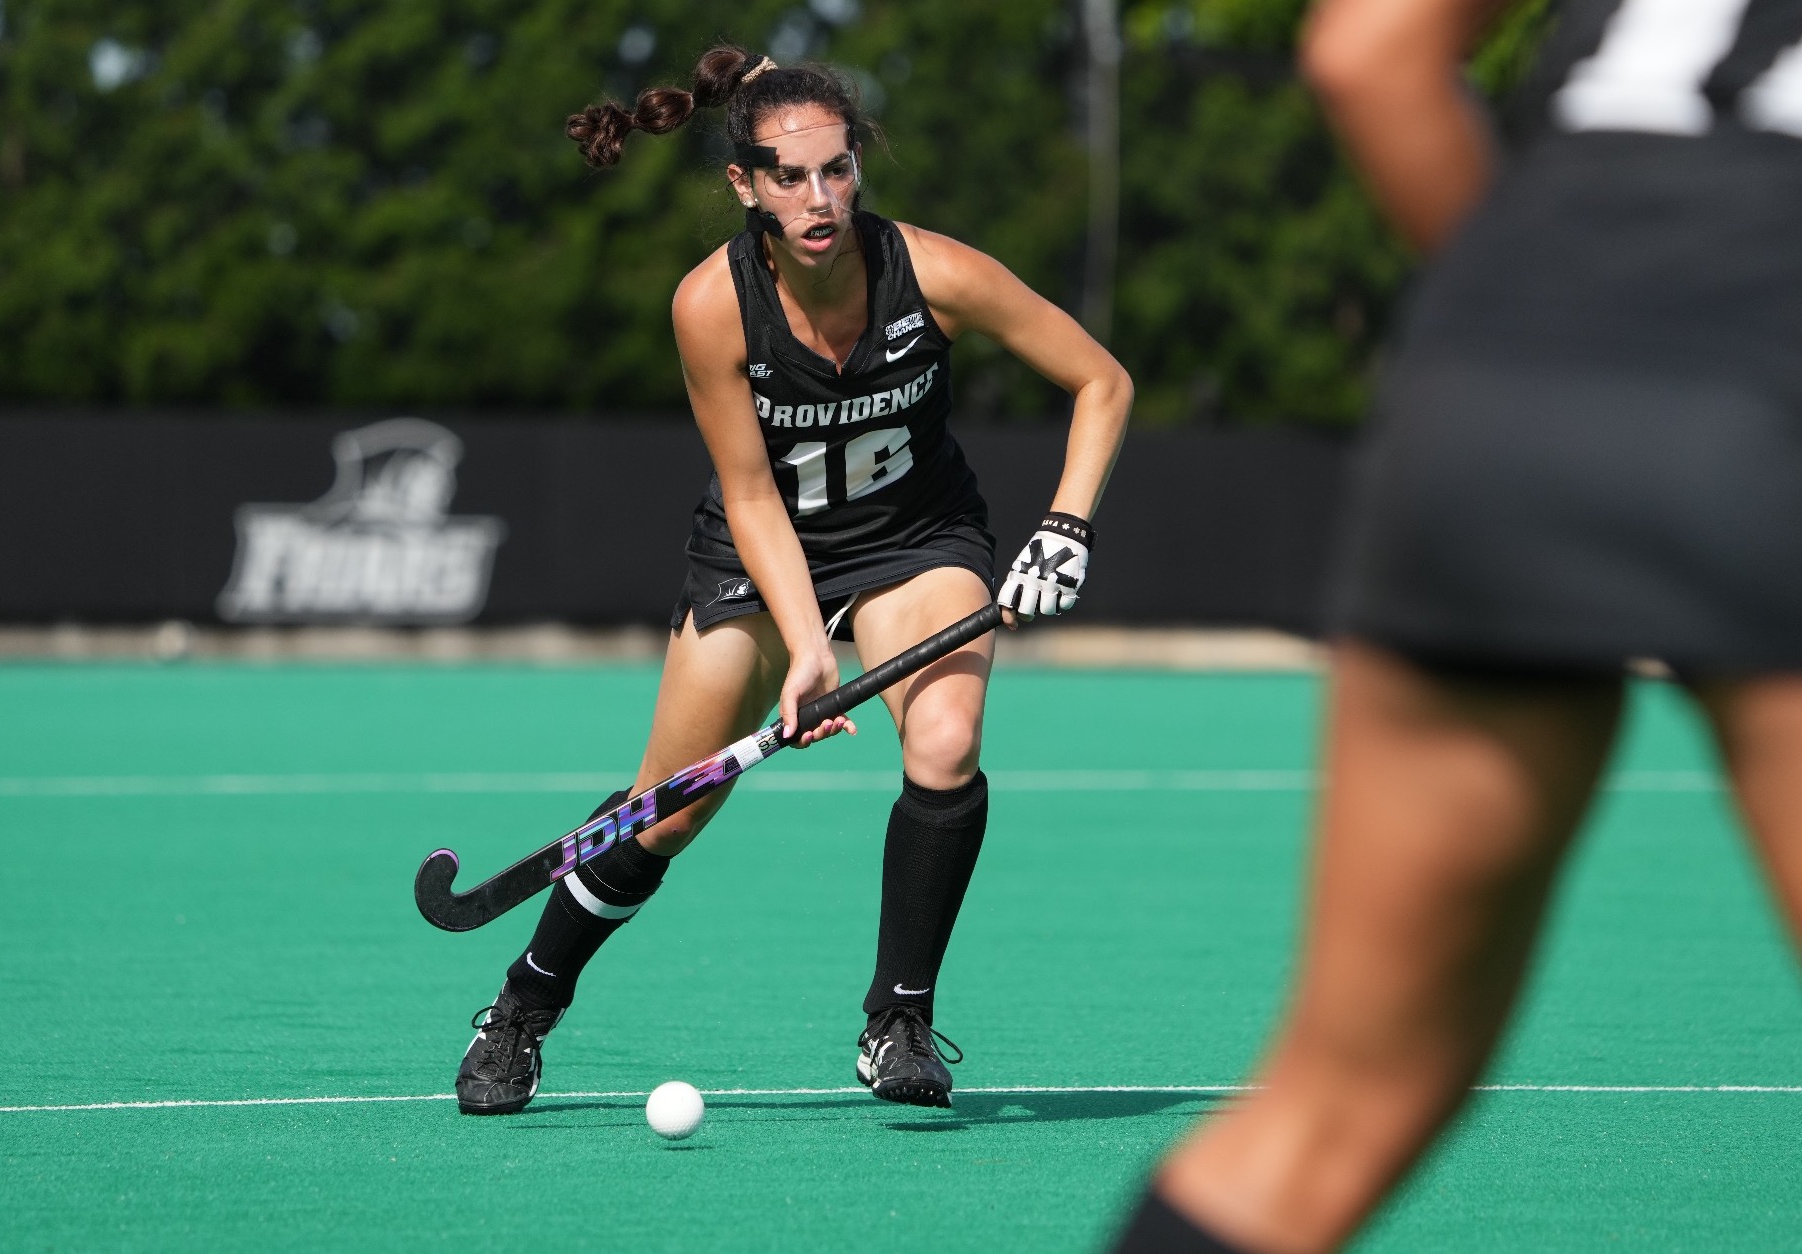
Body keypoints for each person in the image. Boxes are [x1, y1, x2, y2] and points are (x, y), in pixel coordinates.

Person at [1113, 0, 1802, 1248]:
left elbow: (1362, 51)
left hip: (1495, 379)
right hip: (1771, 386)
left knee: (1324, 1120)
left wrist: (1564, 332)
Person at [455, 47, 1131, 1116]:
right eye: (788, 176)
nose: (816, 199)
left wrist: (1064, 528)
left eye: (834, 170)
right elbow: (752, 493)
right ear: (745, 185)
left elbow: (1100, 379)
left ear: (856, 162)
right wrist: (807, 645)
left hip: (917, 538)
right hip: (757, 551)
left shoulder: (934, 274)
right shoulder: (709, 308)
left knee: (946, 740)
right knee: (667, 815)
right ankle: (521, 1010)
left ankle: (896, 1019)